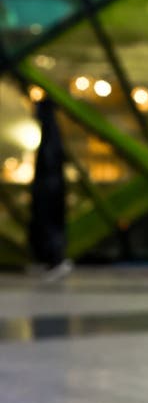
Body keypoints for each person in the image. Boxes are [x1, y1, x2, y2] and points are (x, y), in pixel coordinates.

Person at [28, 97, 73, 282]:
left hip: (49, 187)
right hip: (50, 186)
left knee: (48, 224)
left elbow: (50, 159)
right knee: (48, 224)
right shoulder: (51, 131)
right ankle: (50, 260)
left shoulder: (50, 133)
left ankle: (54, 260)